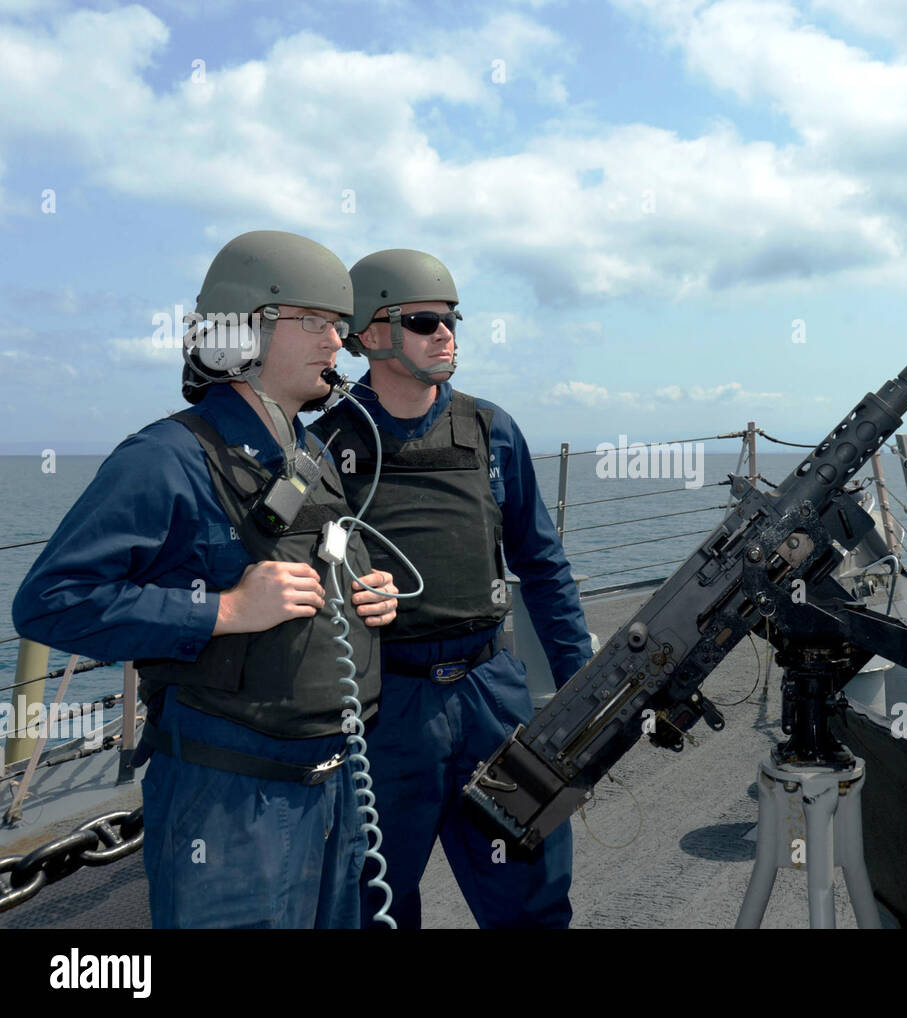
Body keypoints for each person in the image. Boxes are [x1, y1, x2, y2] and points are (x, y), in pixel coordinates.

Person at [12, 230, 400, 929]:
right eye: (312, 321)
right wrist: (221, 611)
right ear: (238, 333)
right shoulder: (165, 458)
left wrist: (368, 596)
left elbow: (319, 566)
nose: (335, 343)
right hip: (229, 804)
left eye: (339, 326)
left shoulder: (310, 452)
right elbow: (50, 603)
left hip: (335, 787)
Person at [310, 249, 592, 929]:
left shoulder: (491, 432)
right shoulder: (325, 449)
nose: (446, 333)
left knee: (533, 896)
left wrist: (582, 689)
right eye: (424, 320)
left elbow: (543, 564)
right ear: (371, 335)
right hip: (387, 710)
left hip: (491, 693)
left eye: (451, 319)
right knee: (374, 904)